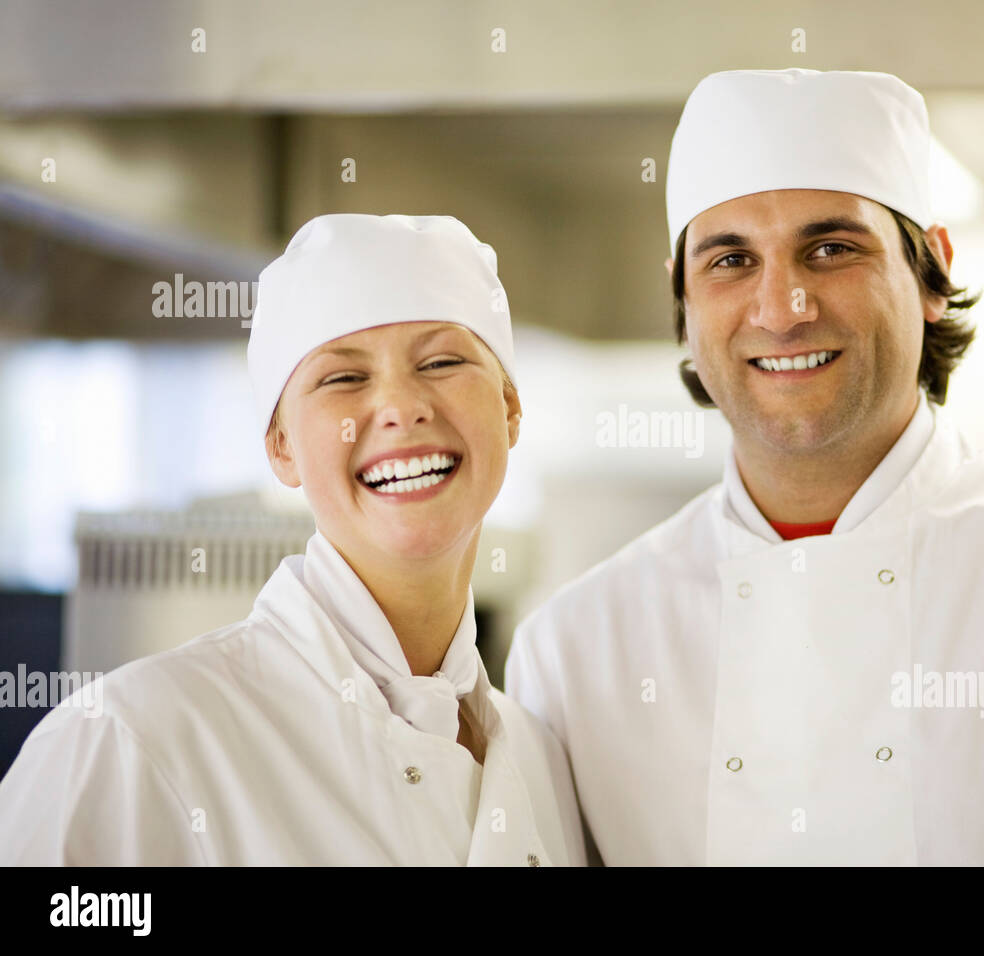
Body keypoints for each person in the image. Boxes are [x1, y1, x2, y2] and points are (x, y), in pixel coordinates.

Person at [505, 68, 984, 865]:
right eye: (731, 260)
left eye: (830, 248)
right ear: (683, 303)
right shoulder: (577, 651)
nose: (782, 308)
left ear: (933, 275)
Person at [0, 214, 586, 866]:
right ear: (282, 447)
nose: (400, 405)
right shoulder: (132, 741)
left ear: (509, 409)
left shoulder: (542, 761)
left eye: (443, 361)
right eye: (343, 377)